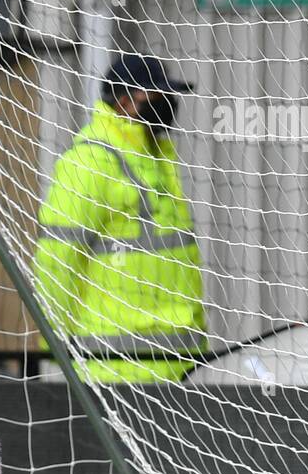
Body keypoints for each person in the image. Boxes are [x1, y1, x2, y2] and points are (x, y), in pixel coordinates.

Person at [34, 54, 206, 382]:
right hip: (116, 367)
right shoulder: (89, 162)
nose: (168, 104)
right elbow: (57, 262)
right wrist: (53, 346)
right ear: (125, 102)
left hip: (176, 364)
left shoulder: (157, 158)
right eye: (156, 97)